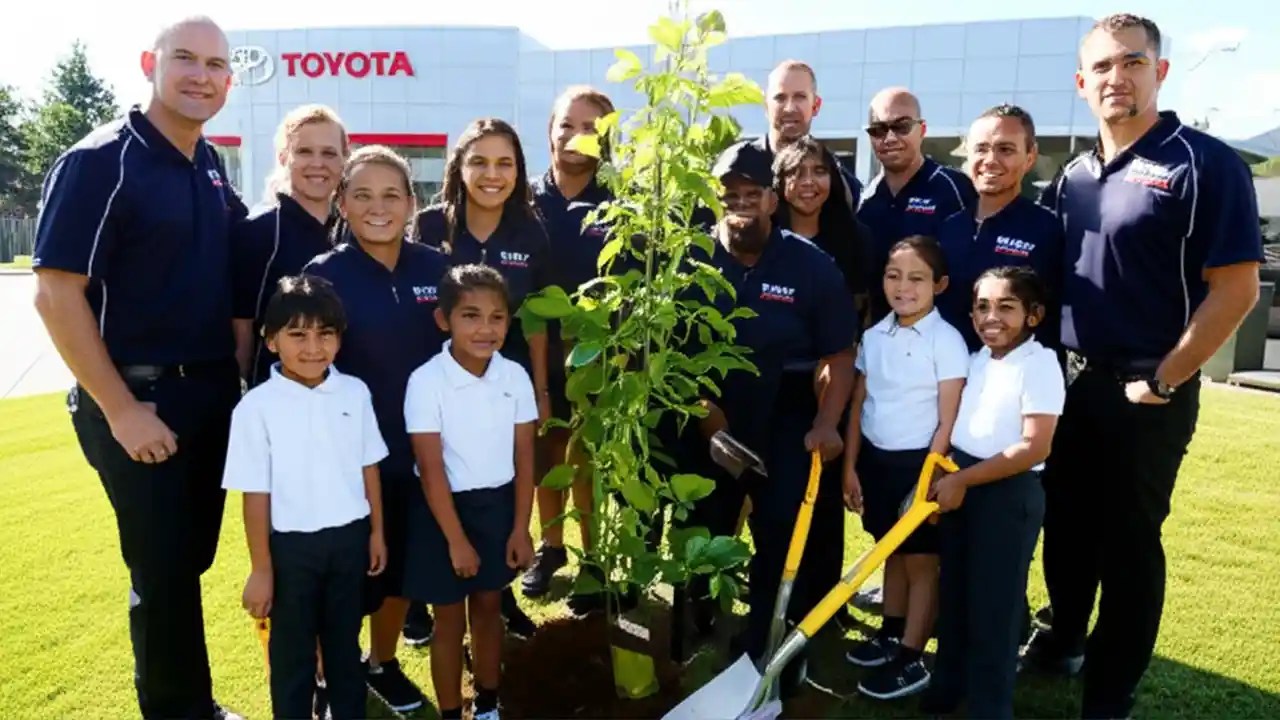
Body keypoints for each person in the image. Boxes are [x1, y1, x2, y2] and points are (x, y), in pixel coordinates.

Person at [1021, 14, 1265, 719]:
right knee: (1065, 526)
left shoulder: (1205, 164)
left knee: (1128, 541)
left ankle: (1110, 689)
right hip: (1070, 384)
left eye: (1131, 63)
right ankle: (1063, 636)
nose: (1115, 78)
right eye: (1101, 67)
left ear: (1159, 72)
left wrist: (1165, 378)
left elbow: (1238, 289)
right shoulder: (1073, 176)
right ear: (1081, 82)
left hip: (1147, 391)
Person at [31, 16, 246, 720]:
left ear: (228, 81)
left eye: (215, 65)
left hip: (207, 395)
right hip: (139, 400)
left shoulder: (208, 163)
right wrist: (121, 410)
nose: (200, 75)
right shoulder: (100, 161)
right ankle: (180, 709)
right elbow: (55, 292)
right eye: (185, 58)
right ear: (151, 63)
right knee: (162, 575)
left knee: (187, 564)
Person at [687, 140, 857, 697]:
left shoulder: (812, 266)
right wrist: (711, 425)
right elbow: (673, 354)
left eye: (751, 195)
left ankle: (765, 642)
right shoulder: (692, 261)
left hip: (785, 408)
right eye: (728, 195)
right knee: (702, 524)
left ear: (772, 199)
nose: (739, 205)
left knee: (779, 530)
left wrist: (827, 423)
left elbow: (839, 355)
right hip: (708, 406)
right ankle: (695, 626)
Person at [302, 145, 448, 713]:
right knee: (342, 577)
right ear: (342, 202)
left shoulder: (437, 268)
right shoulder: (324, 274)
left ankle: (380, 663)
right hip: (345, 457)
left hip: (420, 455)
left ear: (413, 202)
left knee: (400, 572)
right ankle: (327, 673)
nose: (378, 207)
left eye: (392, 194)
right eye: (361, 194)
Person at [223, 275, 387, 720]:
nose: (312, 347)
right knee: (292, 655)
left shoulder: (355, 391)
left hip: (350, 540)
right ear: (271, 341)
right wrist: (261, 569)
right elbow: (255, 494)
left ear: (338, 340)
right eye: (297, 334)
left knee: (344, 649)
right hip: (291, 549)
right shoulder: (255, 408)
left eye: (324, 334)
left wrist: (376, 533)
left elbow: (368, 466)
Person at [415, 117, 549, 639]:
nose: (492, 174)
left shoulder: (531, 231)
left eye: (505, 163)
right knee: (437, 477)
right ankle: (421, 598)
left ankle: (500, 592)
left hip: (505, 385)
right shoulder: (430, 227)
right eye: (480, 161)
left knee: (499, 481)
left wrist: (539, 389)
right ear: (458, 167)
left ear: (519, 170)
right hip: (445, 383)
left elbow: (537, 318)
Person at [923, 266, 1065, 719]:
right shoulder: (979, 359)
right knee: (957, 596)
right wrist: (945, 478)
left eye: (1007, 307)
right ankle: (946, 691)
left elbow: (1033, 445)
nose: (992, 317)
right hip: (961, 483)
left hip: (1006, 495)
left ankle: (989, 706)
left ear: (1034, 315)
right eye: (982, 307)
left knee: (994, 609)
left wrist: (962, 481)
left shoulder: (1038, 364)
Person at [402, 264, 538, 720]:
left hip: (497, 507)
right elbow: (430, 466)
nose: (485, 329)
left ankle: (488, 703)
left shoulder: (515, 377)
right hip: (441, 513)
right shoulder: (425, 381)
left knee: (489, 606)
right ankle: (449, 711)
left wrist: (521, 528)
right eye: (470, 316)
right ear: (444, 320)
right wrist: (456, 540)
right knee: (447, 619)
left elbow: (525, 459)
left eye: (497, 317)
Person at [842, 236, 968, 700]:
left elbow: (948, 419)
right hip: (876, 462)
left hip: (920, 467)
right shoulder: (874, 337)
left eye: (917, 278)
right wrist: (850, 467)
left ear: (940, 285)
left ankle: (913, 656)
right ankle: (891, 633)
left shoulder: (948, 341)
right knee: (888, 550)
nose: (903, 287)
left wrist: (928, 480)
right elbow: (858, 405)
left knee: (921, 564)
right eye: (894, 276)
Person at [770, 134, 875, 630]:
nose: (807, 184)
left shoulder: (852, 241)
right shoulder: (762, 238)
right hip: (774, 383)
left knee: (824, 496)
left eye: (818, 172)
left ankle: (823, 602)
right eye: (794, 173)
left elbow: (858, 321)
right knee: (775, 497)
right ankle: (773, 590)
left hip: (831, 381)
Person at [525, 85, 616, 612]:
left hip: (600, 352)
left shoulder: (620, 203)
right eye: (566, 124)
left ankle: (595, 555)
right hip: (536, 349)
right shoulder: (528, 200)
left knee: (590, 457)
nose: (576, 136)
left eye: (590, 127)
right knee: (546, 450)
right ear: (550, 131)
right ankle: (551, 546)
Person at [233, 104, 347, 388]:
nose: (318, 163)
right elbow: (242, 327)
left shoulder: (353, 231)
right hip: (280, 398)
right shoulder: (259, 231)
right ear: (284, 157)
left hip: (347, 397)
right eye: (305, 151)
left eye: (329, 153)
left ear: (345, 159)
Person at [936, 105, 1064, 352]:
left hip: (1017, 380)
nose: (990, 161)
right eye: (981, 149)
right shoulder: (949, 227)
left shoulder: (1049, 230)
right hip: (950, 377)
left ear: (1030, 157)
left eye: (1005, 149)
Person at [858, 87, 977, 322]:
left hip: (945, 340)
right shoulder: (866, 200)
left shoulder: (954, 188)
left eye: (901, 126)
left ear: (922, 130)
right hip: (882, 341)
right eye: (879, 129)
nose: (890, 138)